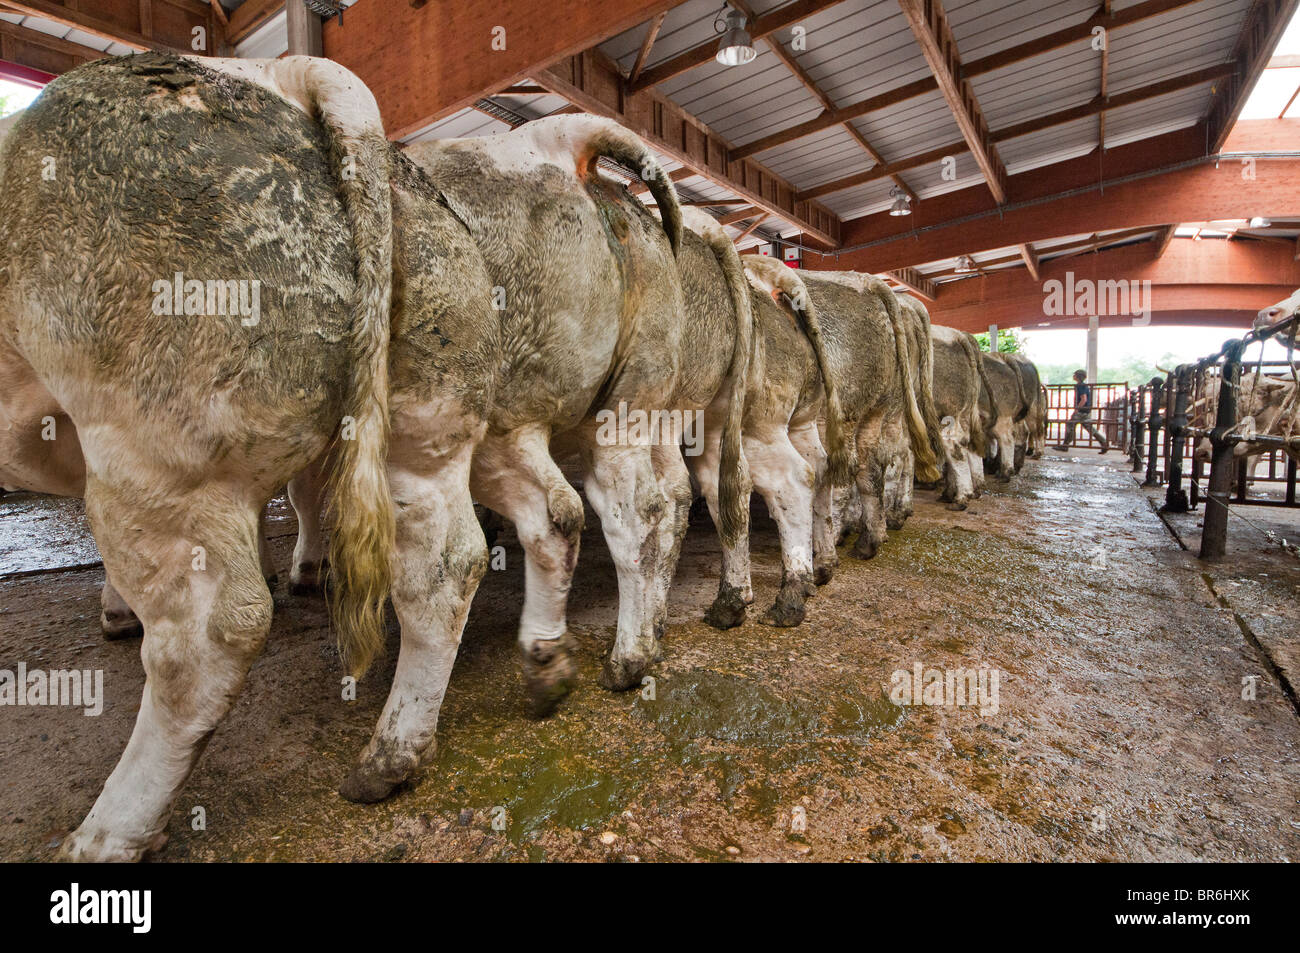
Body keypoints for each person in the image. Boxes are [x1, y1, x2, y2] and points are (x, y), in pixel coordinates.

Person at [1052, 369, 1109, 453]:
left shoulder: (1080, 386)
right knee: (1089, 427)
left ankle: (1065, 445)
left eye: (1074, 375)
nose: (1073, 376)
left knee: (1070, 424)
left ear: (1078, 376)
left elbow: (1083, 399)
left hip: (1081, 411)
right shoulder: (1083, 385)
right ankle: (1104, 443)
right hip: (1086, 410)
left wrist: (1077, 409)